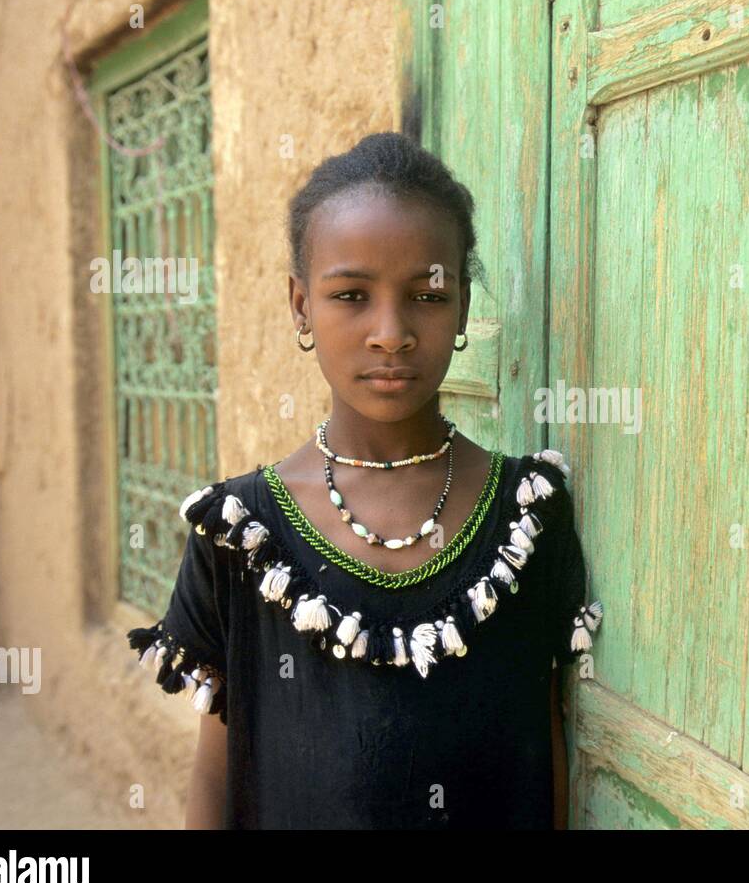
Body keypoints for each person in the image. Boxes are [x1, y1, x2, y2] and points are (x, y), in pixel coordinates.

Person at [126, 131, 603, 829]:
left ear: (463, 307)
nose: (391, 332)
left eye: (427, 296)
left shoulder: (528, 521)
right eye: (351, 294)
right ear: (300, 307)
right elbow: (216, 767)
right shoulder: (241, 534)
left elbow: (548, 744)